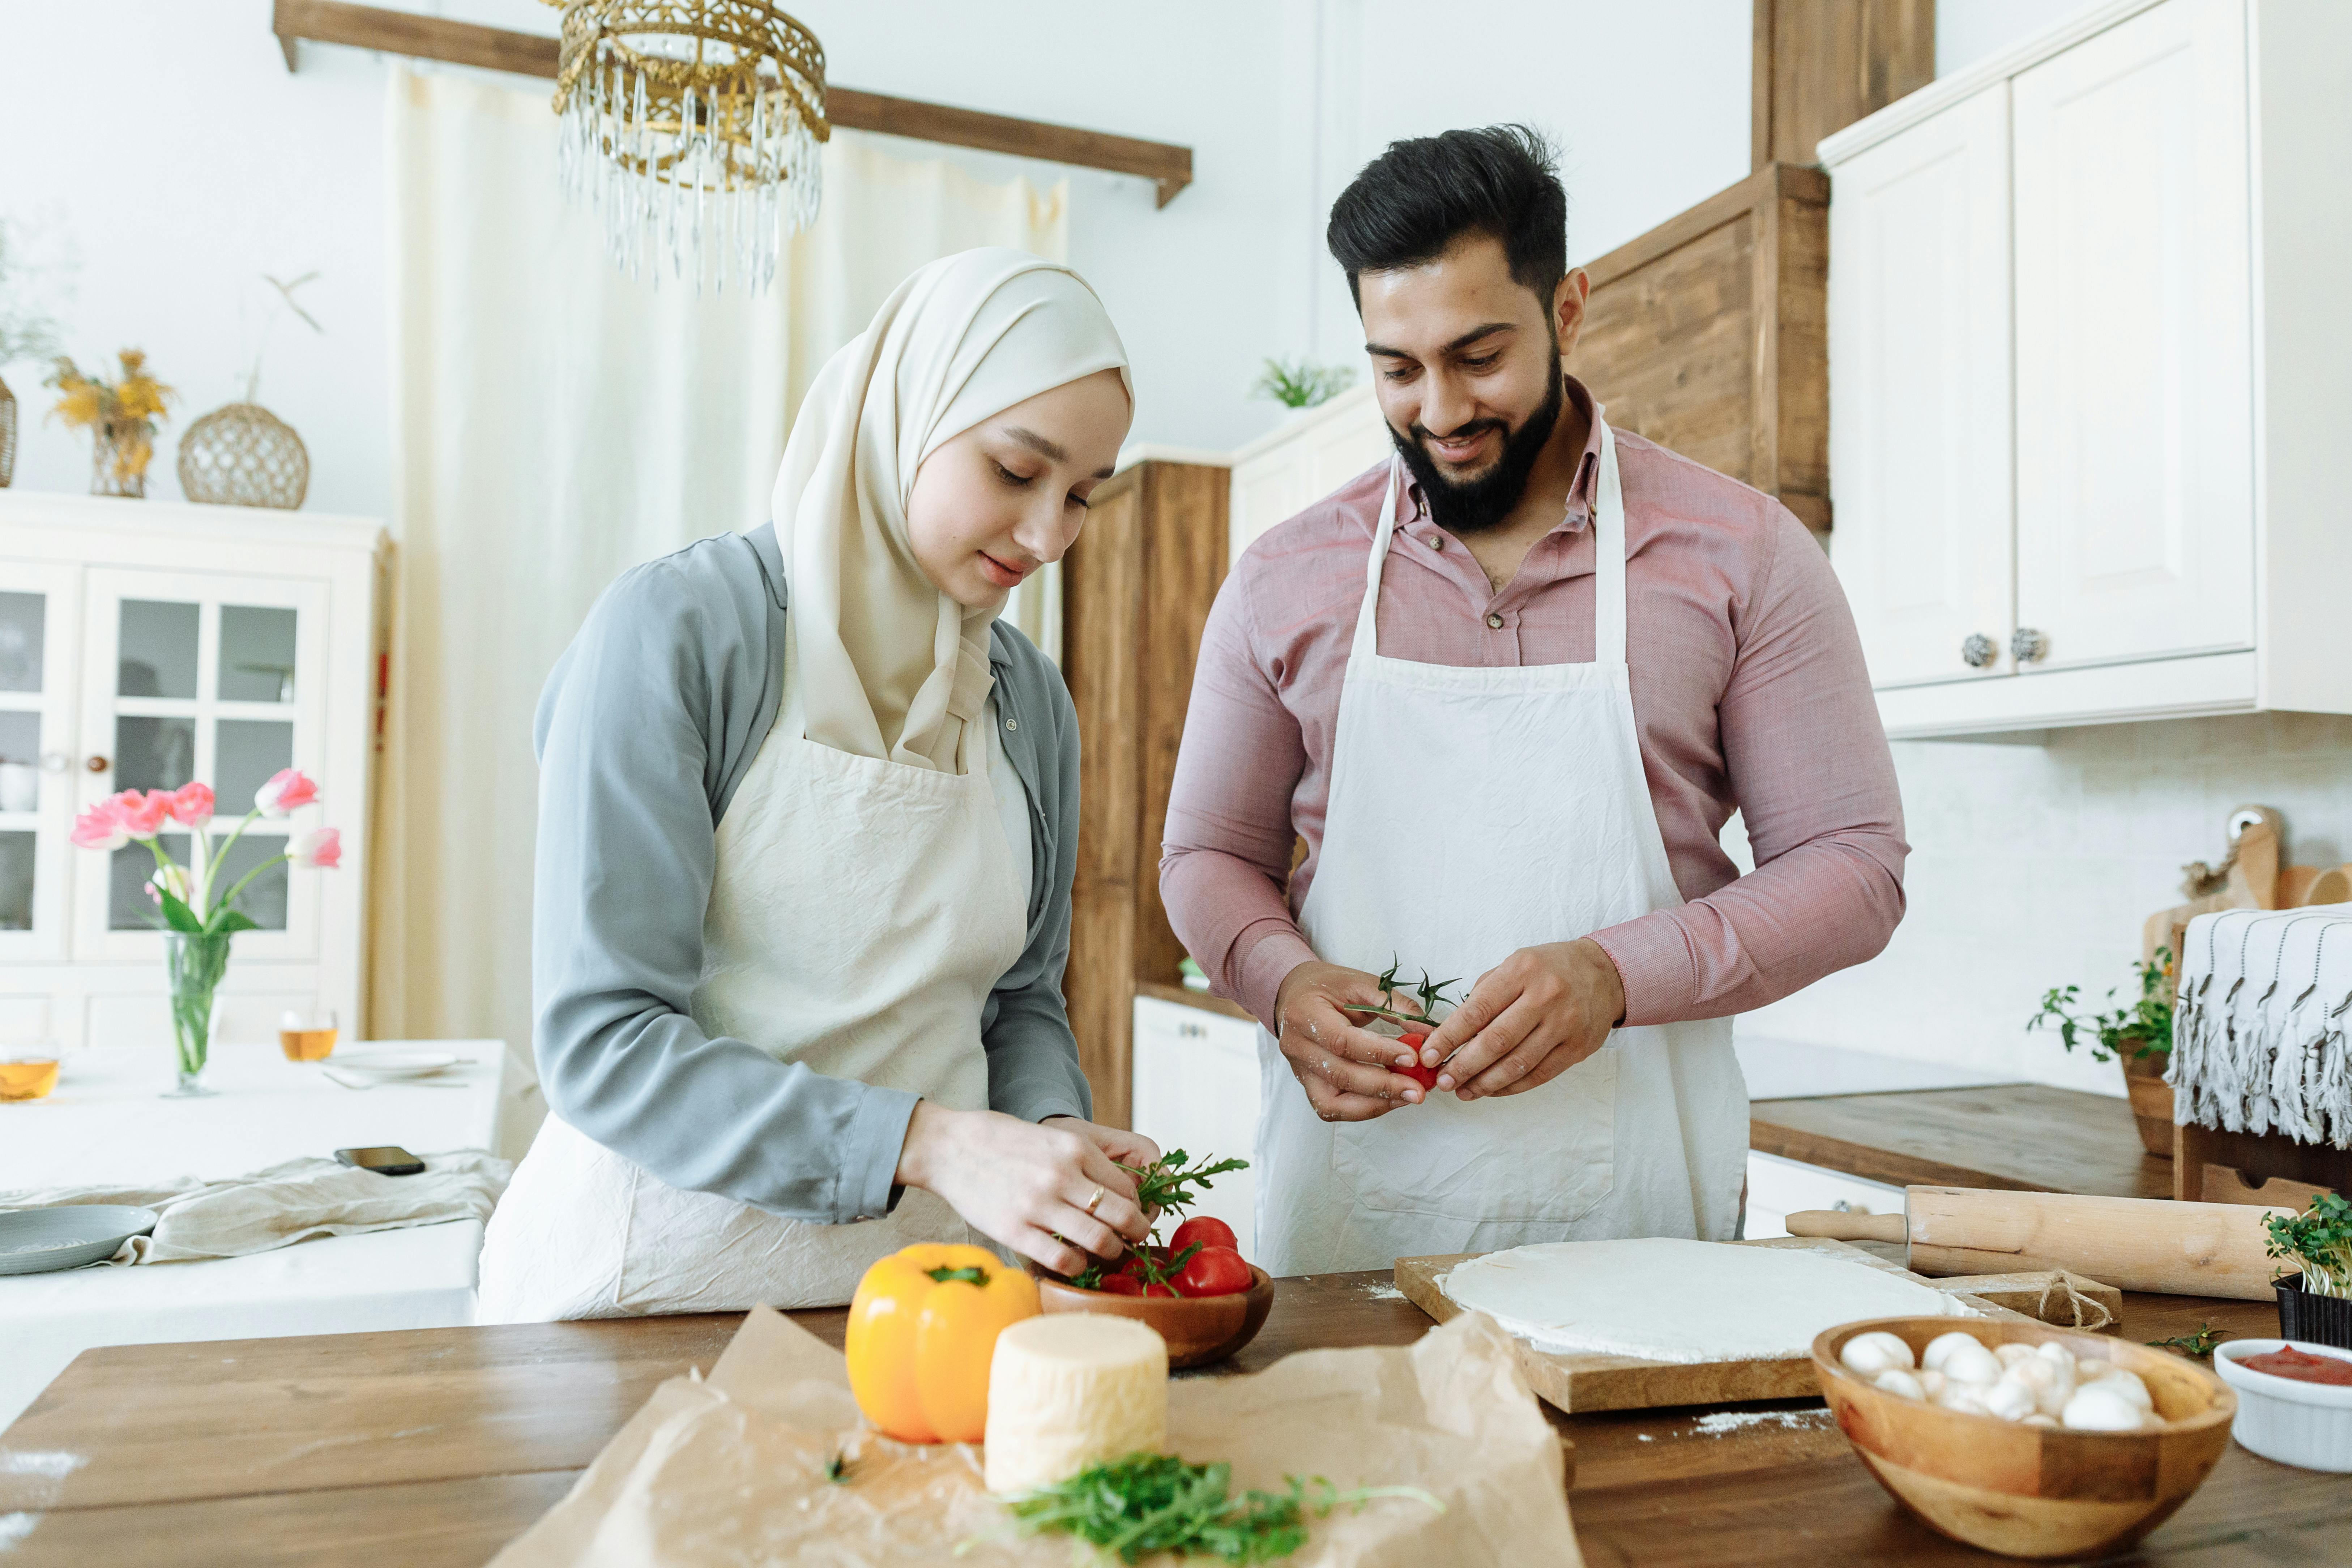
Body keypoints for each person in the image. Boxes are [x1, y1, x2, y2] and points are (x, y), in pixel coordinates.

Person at [1159, 127, 1908, 1276]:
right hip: (1354, 1226)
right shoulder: (1282, 576)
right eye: (1396, 369)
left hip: (1645, 1230)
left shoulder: (1742, 552)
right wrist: (1280, 977)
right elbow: (1205, 853)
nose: (1441, 409)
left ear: (1565, 311)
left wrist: (1618, 973)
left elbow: (1854, 868)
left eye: (1478, 354)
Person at [479, 249, 1157, 1319]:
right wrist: (927, 1139)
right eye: (1014, 472)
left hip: (922, 1303)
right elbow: (605, 1042)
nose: (1048, 536)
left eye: (1080, 496)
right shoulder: (680, 634)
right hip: (643, 1290)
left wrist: (1049, 1128)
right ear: (902, 414)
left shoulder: (1028, 699)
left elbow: (1018, 1000)